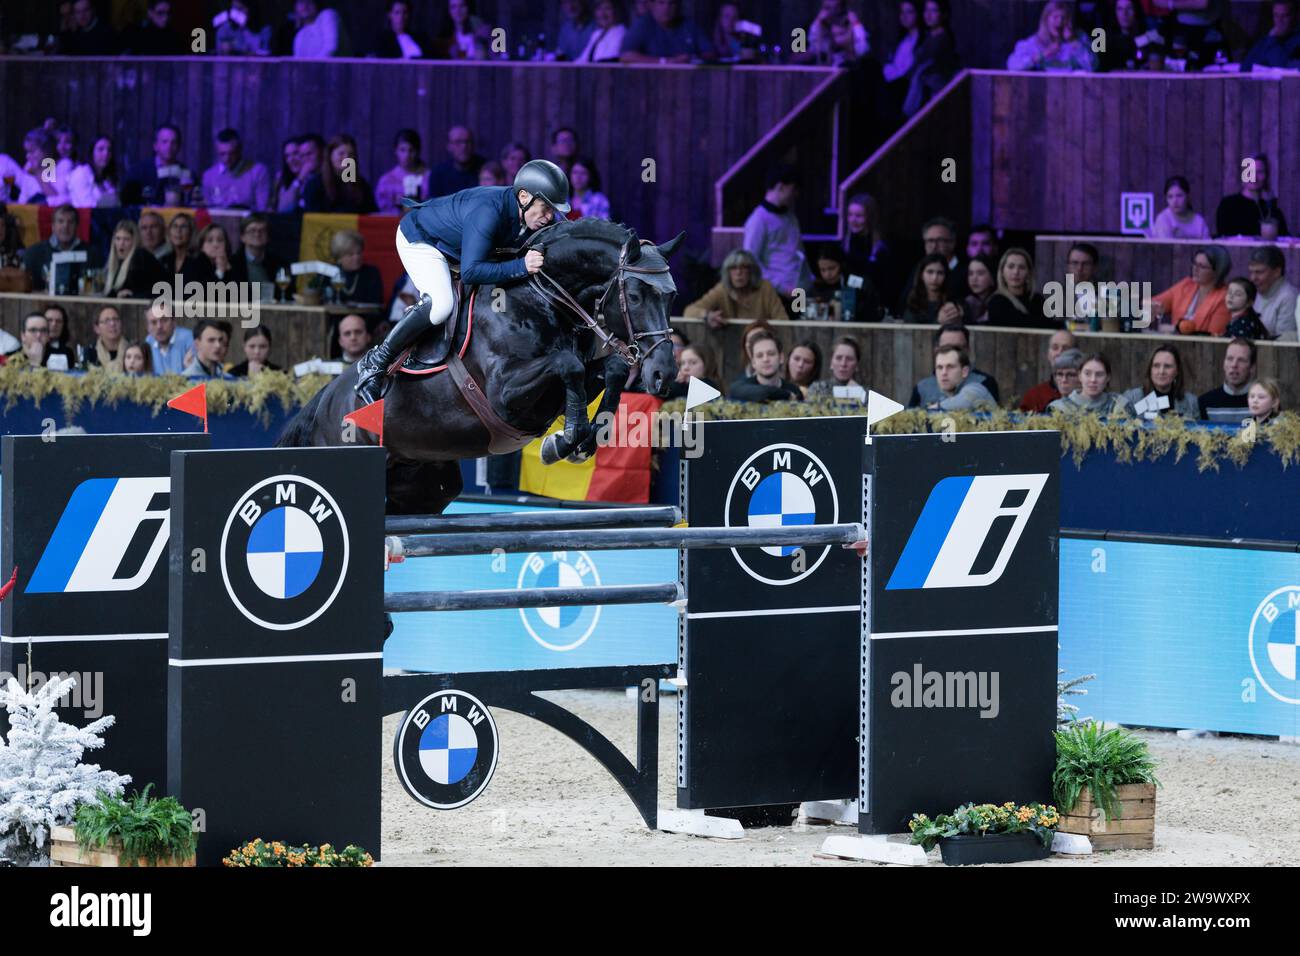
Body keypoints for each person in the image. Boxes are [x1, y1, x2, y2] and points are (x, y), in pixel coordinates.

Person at [353, 159, 571, 404]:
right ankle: (374, 364)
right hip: (423, 241)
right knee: (440, 305)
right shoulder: (489, 212)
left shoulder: (530, 212)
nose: (550, 216)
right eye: (546, 207)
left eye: (554, 209)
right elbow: (472, 272)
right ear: (523, 197)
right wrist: (522, 266)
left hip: (459, 250)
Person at [742, 165, 812, 303]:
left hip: (799, 291)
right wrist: (781, 287)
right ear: (781, 187)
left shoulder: (790, 216)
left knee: (801, 324)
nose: (796, 194)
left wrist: (808, 282)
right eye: (793, 189)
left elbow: (798, 252)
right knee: (781, 324)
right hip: (777, 293)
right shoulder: (758, 220)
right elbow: (751, 260)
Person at [683, 249, 787, 327]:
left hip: (761, 345)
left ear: (752, 271)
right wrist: (707, 315)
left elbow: (783, 321)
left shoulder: (765, 288)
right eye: (733, 268)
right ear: (727, 273)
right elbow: (689, 312)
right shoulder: (722, 289)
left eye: (744, 267)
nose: (738, 273)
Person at [908, 322, 1001, 406]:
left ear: (968, 350)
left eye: (958, 348)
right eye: (946, 348)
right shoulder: (922, 387)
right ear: (937, 350)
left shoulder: (984, 383)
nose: (951, 353)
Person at [1151, 245, 1231, 336]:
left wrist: (1174, 329)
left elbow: (1213, 336)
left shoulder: (1224, 297)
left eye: (1202, 266)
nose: (1195, 269)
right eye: (1195, 263)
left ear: (1217, 271)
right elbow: (1154, 304)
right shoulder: (1186, 285)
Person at [22, 204, 101, 293]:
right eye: (60, 221)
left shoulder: (91, 254)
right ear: (53, 226)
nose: (65, 226)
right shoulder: (33, 254)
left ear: (77, 226)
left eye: (70, 222)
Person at [1215, 153, 1290, 238]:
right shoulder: (1228, 205)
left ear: (1266, 176)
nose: (1253, 176)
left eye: (1259, 172)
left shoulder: (1271, 210)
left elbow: (1284, 239)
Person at [1006, 0, 1097, 71]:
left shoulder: (1079, 39)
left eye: (1063, 18)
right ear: (1046, 20)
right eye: (1055, 17)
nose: (1060, 21)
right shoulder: (1034, 42)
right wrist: (1044, 54)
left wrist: (1072, 41)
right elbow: (1012, 66)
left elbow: (1093, 66)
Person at [620, 0, 717, 63]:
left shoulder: (689, 25)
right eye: (661, 2)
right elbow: (625, 56)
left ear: (678, 6)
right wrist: (666, 61)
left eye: (671, 3)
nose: (666, 8)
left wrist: (693, 59)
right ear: (651, 5)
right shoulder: (642, 24)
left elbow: (709, 52)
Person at [122, 123, 193, 207]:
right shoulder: (138, 172)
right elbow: (128, 204)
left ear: (178, 147)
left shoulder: (185, 173)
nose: (169, 146)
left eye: (173, 142)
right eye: (164, 142)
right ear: (155, 146)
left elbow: (193, 202)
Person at [303, 133, 377, 213]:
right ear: (330, 155)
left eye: (350, 154)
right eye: (341, 154)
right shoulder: (315, 185)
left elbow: (371, 213)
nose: (346, 158)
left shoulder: (361, 184)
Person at [842, 192, 893, 305]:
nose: (853, 220)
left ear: (869, 218)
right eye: (850, 215)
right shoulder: (843, 244)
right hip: (849, 300)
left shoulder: (880, 248)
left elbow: (882, 284)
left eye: (859, 216)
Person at [201, 129, 271, 210]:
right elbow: (207, 210)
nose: (227, 158)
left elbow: (263, 209)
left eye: (231, 153)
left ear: (239, 150)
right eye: (222, 154)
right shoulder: (209, 176)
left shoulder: (257, 172)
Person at [1121, 345, 1199, 418]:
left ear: (1177, 371)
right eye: (1156, 366)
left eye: (1167, 366)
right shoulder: (1132, 399)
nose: (1161, 371)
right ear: (1150, 369)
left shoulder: (1191, 402)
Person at [1048, 352, 1131, 416]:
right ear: (1079, 376)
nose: (1093, 380)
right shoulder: (1059, 408)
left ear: (1108, 377)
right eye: (1087, 373)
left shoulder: (1119, 405)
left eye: (1099, 374)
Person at [729, 330, 802, 403]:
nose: (766, 359)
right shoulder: (739, 388)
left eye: (771, 354)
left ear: (781, 358)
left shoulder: (794, 390)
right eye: (759, 356)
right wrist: (787, 395)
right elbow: (762, 393)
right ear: (753, 362)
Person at [809, 246, 878, 322]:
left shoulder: (859, 284)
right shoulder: (816, 288)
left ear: (841, 265)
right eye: (823, 270)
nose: (827, 274)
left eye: (831, 268)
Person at [102, 220, 167, 299]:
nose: (121, 243)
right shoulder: (117, 263)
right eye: (118, 239)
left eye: (126, 239)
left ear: (134, 241)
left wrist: (130, 295)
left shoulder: (140, 257)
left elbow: (149, 290)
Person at [1019, 328, 1079, 411]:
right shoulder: (1034, 396)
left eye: (1065, 348)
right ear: (1048, 354)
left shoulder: (1088, 394)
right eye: (1055, 348)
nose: (1059, 353)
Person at [920, 344, 995, 411]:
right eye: (940, 367)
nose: (944, 373)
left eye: (950, 367)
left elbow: (966, 400)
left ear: (964, 372)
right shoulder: (946, 399)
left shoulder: (976, 389)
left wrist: (930, 410)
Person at [985, 248, 1048, 328]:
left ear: (1029, 273)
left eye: (1021, 267)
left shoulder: (1038, 300)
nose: (1016, 272)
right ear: (1002, 272)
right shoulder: (996, 302)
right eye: (1011, 267)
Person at [1246, 245, 1298, 340]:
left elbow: (1283, 343)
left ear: (1277, 272)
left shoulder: (1289, 297)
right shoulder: (1258, 290)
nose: (1252, 278)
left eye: (1259, 272)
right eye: (1251, 272)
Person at [1197, 337, 1256, 420]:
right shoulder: (1205, 402)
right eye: (1230, 359)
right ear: (1224, 364)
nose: (1234, 365)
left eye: (1241, 360)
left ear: (1252, 367)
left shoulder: (1263, 403)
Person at [375, 129, 430, 214]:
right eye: (402, 150)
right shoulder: (386, 181)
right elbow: (384, 210)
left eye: (411, 150)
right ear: (395, 151)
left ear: (418, 151)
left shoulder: (428, 178)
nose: (407, 155)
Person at [234, 214, 286, 299]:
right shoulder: (232, 263)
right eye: (252, 230)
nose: (257, 234)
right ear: (242, 237)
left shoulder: (279, 263)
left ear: (268, 237)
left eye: (262, 230)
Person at [427, 126, 485, 199]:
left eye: (468, 141)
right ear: (449, 146)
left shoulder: (485, 168)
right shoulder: (438, 173)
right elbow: (434, 205)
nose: (464, 146)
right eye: (458, 142)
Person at [902, 253, 962, 324]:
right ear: (921, 275)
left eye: (940, 273)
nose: (934, 278)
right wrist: (939, 322)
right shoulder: (913, 306)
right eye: (930, 272)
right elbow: (913, 333)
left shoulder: (954, 302)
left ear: (945, 276)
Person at [1241, 1, 1300, 71]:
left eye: (1284, 16)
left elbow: (1283, 68)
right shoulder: (1265, 41)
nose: (1279, 21)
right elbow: (1245, 68)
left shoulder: (1297, 42)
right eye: (1276, 15)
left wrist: (1273, 41)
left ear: (1295, 17)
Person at [331, 230, 385, 305]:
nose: (356, 257)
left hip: (365, 316)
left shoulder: (372, 273)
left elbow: (376, 304)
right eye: (350, 254)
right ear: (339, 257)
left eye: (359, 252)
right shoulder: (329, 273)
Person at [805, 0, 869, 63]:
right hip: (831, 66)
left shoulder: (851, 20)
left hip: (851, 65)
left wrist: (856, 25)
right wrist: (818, 22)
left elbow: (863, 49)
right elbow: (814, 48)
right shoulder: (821, 23)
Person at [67, 135, 118, 208]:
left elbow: (116, 203)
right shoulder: (81, 173)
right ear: (92, 152)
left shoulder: (108, 178)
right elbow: (87, 205)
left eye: (109, 150)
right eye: (101, 149)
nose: (106, 153)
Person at [146, 301, 194, 376]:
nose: (159, 327)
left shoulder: (189, 339)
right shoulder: (148, 342)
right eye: (153, 322)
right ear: (148, 327)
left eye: (164, 320)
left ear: (174, 321)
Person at [1097, 0, 1147, 71]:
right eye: (1120, 9)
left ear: (1136, 11)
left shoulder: (1146, 38)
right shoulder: (1104, 40)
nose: (1124, 13)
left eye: (1129, 8)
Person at [82, 306, 126, 374]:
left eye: (116, 319)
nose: (112, 324)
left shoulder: (131, 350)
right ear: (97, 328)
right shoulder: (90, 352)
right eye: (107, 321)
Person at [159, 213, 205, 279]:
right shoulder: (164, 260)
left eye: (183, 227)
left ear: (191, 232)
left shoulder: (200, 259)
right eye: (175, 226)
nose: (178, 230)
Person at [270, 137, 303, 212]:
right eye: (287, 156)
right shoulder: (282, 179)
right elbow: (283, 209)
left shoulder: (313, 177)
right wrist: (299, 180)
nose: (291, 159)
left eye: (295, 153)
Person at [962, 253, 997, 323]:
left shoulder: (999, 304)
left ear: (992, 278)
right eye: (970, 274)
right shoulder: (965, 303)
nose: (974, 279)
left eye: (980, 273)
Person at [42, 304, 78, 370]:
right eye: (49, 320)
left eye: (58, 321)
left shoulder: (68, 353)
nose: (54, 324)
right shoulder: (30, 350)